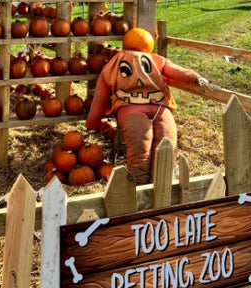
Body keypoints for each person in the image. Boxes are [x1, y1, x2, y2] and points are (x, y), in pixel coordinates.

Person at [85, 28, 207, 184]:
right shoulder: (155, 59)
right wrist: (194, 77)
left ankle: (139, 186)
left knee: (140, 154)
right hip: (159, 107)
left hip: (130, 108)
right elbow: (176, 71)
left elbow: (100, 97)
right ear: (148, 44)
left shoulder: (113, 63)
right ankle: (163, 182)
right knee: (167, 146)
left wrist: (92, 122)